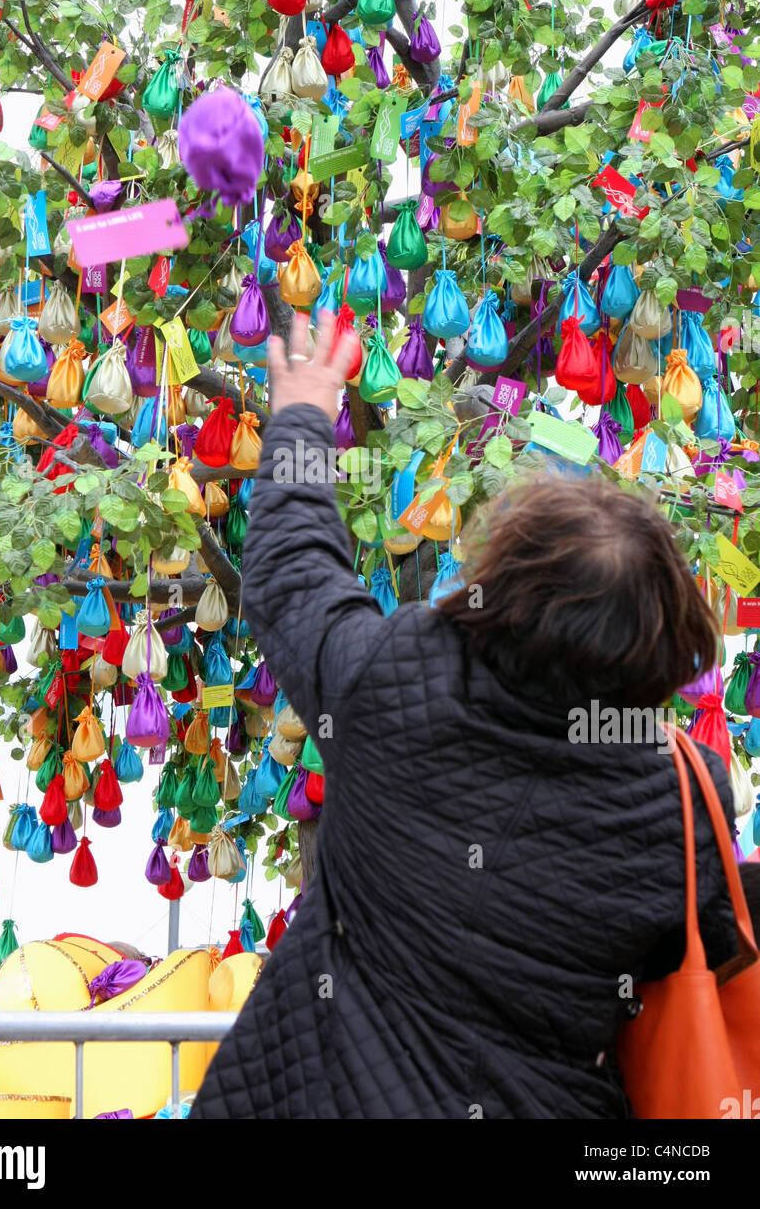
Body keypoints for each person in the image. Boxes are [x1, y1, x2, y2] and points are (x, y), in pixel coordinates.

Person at [189, 313, 738, 1120]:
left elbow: (293, 575)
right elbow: (703, 945)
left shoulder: (395, 681)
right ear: (668, 637)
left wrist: (304, 416)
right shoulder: (687, 799)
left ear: (503, 584)